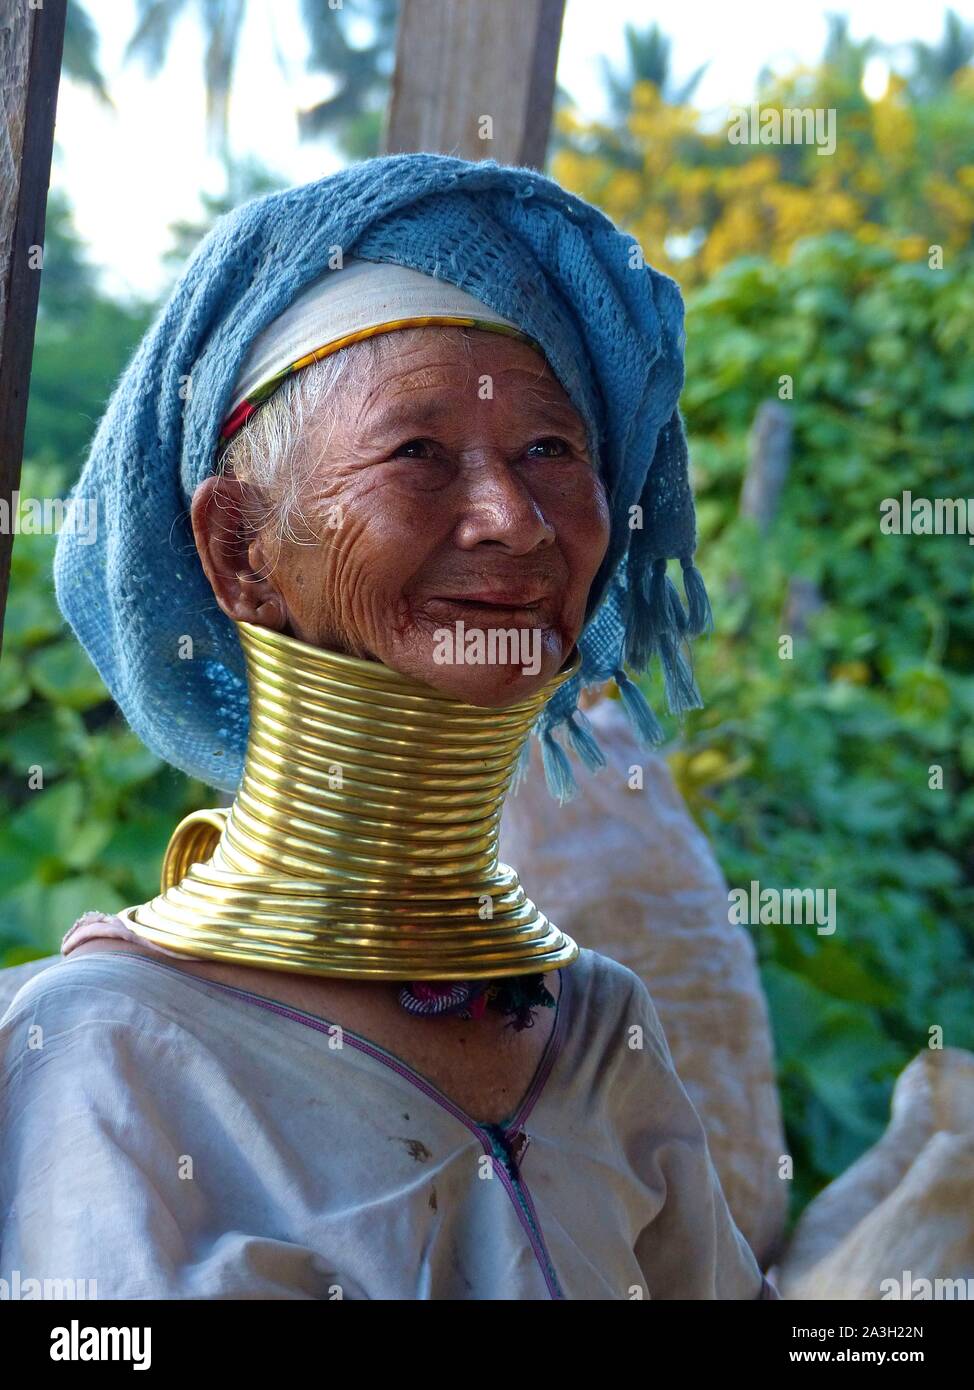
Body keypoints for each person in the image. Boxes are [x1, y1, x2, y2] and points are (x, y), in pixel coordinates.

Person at [0, 153, 777, 1300]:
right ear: (240, 551)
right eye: (415, 453)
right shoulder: (100, 1046)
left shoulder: (597, 1025)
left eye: (550, 452)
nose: (513, 518)